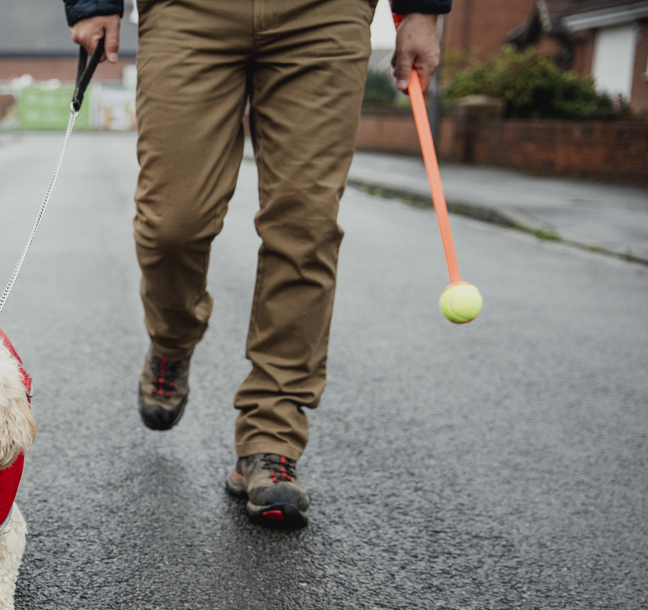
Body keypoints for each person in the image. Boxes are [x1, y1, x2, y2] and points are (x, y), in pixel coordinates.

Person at [66, 0, 448, 527]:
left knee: (306, 229)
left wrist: (422, 10)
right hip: (188, 11)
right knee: (171, 225)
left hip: (324, 15)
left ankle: (272, 437)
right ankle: (172, 340)